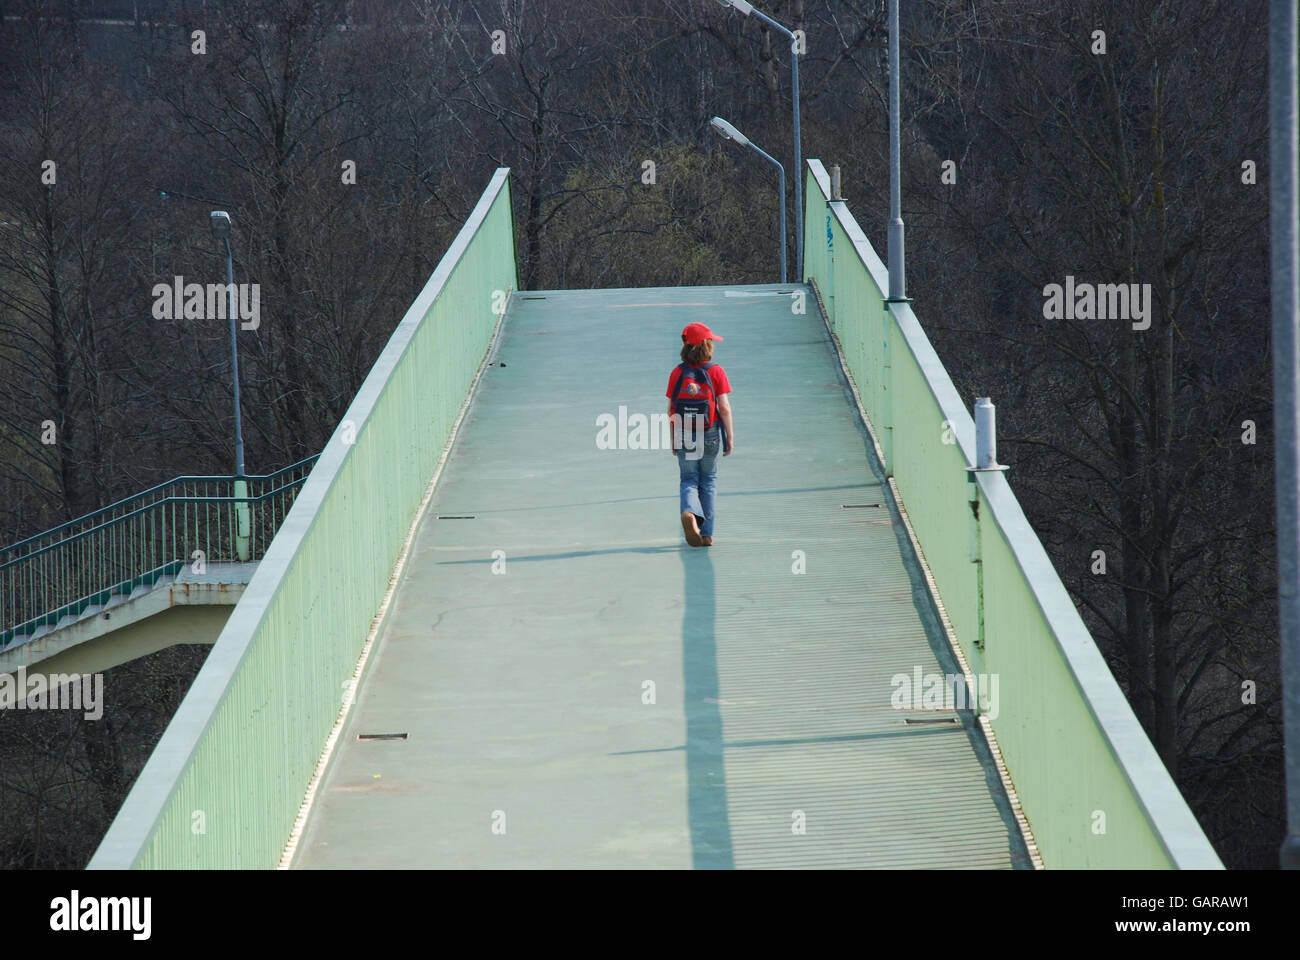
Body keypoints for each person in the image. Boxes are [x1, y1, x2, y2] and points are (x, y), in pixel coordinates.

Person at [667, 322, 734, 547]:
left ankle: (689, 514)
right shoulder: (716, 371)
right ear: (707, 346)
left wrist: (673, 439)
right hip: (711, 432)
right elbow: (724, 407)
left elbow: (671, 409)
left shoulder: (677, 372)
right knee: (709, 481)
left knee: (688, 480)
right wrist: (730, 438)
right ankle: (706, 534)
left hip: (685, 431)